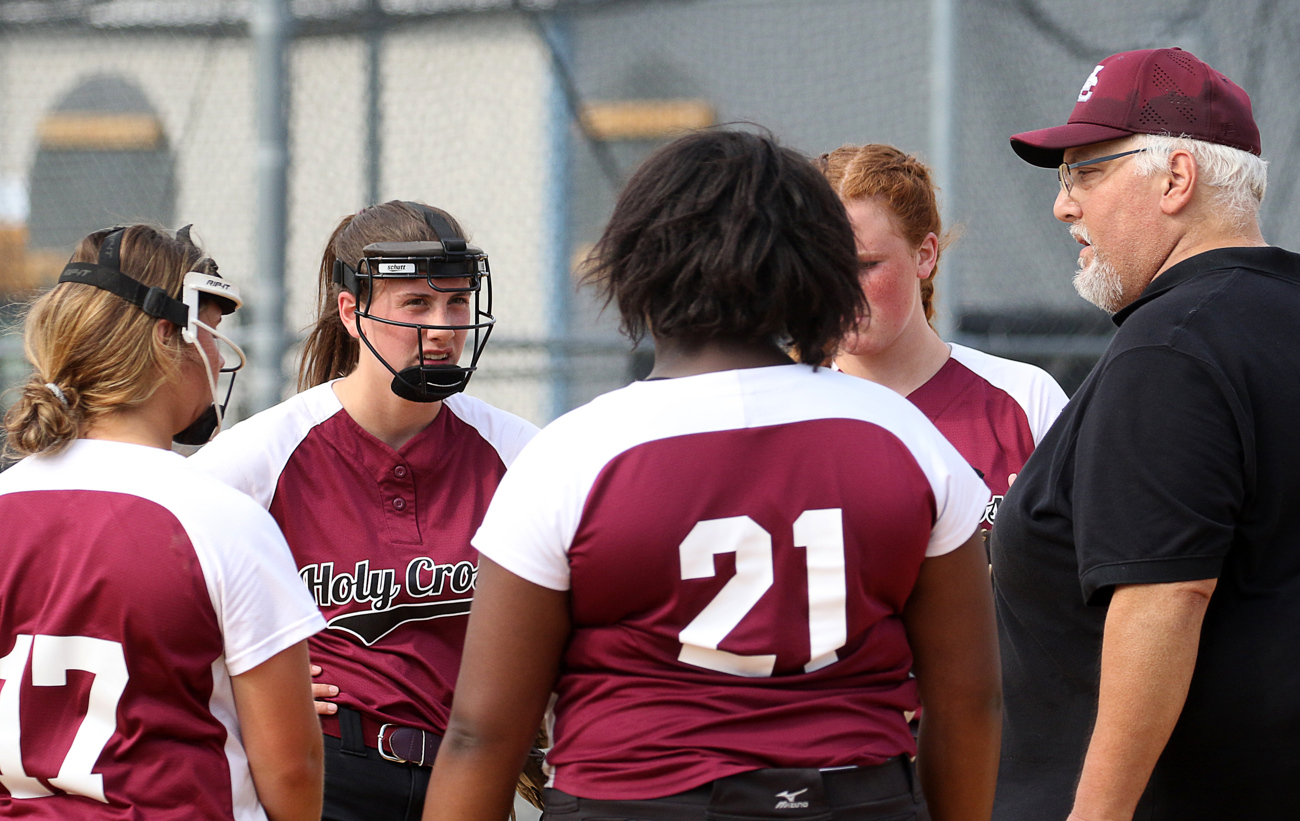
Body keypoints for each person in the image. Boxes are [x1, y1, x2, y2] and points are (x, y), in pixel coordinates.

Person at [422, 130, 1001, 821]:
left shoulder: (576, 453)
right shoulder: (905, 437)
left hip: (636, 803)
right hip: (852, 797)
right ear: (811, 268)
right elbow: (969, 698)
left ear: (640, 266)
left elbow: (483, 732)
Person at [994, 47, 1299, 821]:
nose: (1065, 206)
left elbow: (1165, 595)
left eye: (1085, 172)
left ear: (1175, 179)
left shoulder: (1172, 345)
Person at [189, 200, 538, 821]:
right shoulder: (258, 456)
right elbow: (170, 616)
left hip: (468, 776)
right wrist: (252, 692)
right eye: (416, 304)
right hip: (326, 773)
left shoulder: (521, 454)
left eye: (457, 302)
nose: (444, 327)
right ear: (352, 313)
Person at [0, 224, 324, 820]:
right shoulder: (219, 519)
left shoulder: (6, 502)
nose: (219, 356)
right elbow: (292, 771)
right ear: (166, 334)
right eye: (212, 332)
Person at [819, 145, 1067, 530]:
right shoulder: (782, 416)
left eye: (865, 265)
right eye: (821, 264)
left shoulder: (1027, 400)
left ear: (925, 255)